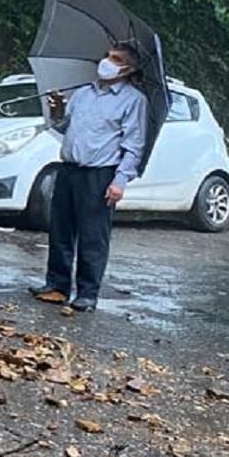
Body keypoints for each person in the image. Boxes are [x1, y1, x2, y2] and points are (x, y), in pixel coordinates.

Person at [29, 43, 148, 312]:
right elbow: (61, 126)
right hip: (69, 168)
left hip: (100, 174)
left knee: (93, 236)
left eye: (115, 59)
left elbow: (133, 145)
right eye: (106, 56)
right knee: (60, 229)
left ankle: (87, 293)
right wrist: (58, 108)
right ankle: (57, 286)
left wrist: (120, 181)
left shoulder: (133, 101)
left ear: (128, 69)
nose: (106, 61)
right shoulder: (83, 93)